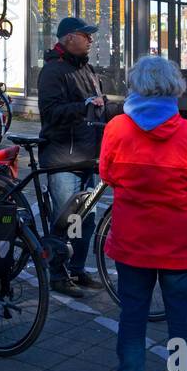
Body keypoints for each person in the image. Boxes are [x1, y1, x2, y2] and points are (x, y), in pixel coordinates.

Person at [100, 57, 187, 371]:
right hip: (180, 244)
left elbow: (107, 174)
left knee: (133, 313)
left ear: (135, 85)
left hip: (133, 243)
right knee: (183, 318)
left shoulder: (117, 128)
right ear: (173, 87)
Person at [37, 16, 117, 298]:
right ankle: (58, 275)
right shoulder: (52, 72)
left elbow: (98, 107)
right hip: (63, 159)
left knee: (87, 220)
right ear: (69, 38)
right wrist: (83, 106)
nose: (91, 39)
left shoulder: (87, 69)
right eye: (86, 35)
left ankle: (77, 268)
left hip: (87, 158)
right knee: (65, 219)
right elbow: (50, 113)